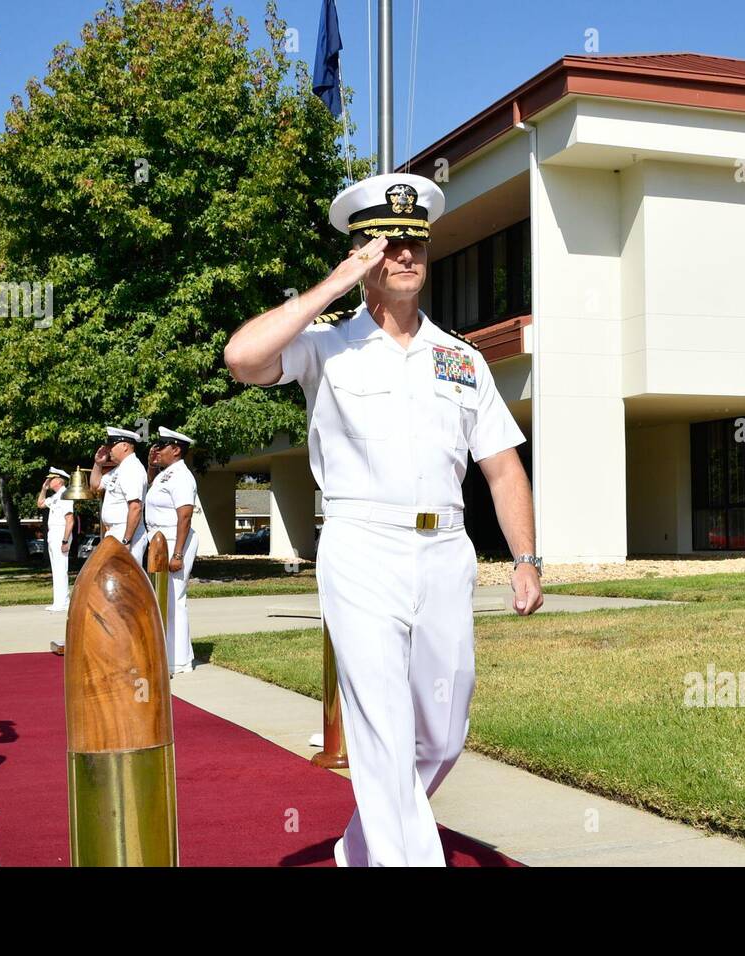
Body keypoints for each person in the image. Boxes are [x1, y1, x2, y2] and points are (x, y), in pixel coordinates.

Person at [224, 172, 544, 866]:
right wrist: (333, 286)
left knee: (443, 733)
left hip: (446, 549)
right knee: (384, 731)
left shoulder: (460, 359)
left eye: (415, 245)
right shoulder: (326, 345)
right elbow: (241, 357)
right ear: (364, 252)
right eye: (388, 244)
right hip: (361, 547)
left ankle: (362, 848)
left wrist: (525, 560)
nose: (405, 256)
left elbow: (501, 465)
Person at [144, 427, 199, 675]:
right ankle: (166, 653)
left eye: (162, 446)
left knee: (174, 598)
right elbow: (151, 491)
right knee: (161, 599)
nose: (157, 450)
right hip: (158, 538)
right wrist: (152, 465)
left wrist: (178, 554)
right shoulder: (166, 474)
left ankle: (179, 660)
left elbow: (184, 516)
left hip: (174, 538)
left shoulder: (182, 476)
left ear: (176, 450)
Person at [90, 427, 147, 564]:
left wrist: (126, 540)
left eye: (112, 445)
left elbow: (135, 507)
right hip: (115, 531)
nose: (109, 450)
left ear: (125, 446)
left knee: (126, 581)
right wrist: (98, 464)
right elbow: (95, 486)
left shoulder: (132, 469)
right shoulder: (120, 469)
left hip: (126, 531)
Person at [37, 467, 75, 613]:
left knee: (61, 568)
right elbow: (40, 504)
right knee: (56, 569)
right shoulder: (55, 496)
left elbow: (70, 520)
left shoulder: (65, 494)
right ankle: (58, 601)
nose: (49, 481)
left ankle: (64, 602)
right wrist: (43, 489)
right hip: (53, 532)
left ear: (59, 480)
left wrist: (65, 541)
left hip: (61, 532)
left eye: (51, 479)